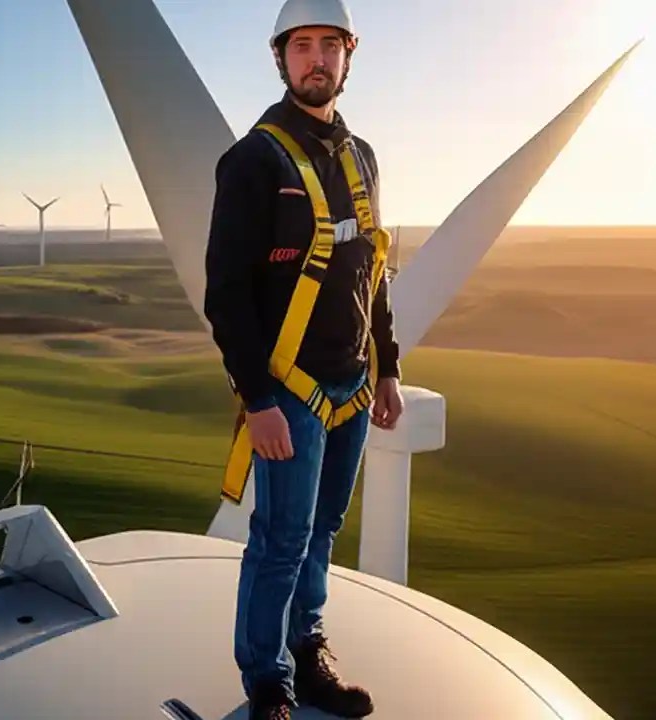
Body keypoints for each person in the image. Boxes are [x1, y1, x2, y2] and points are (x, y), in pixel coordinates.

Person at [202, 1, 403, 718]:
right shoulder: (254, 160)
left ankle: (307, 647)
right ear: (281, 58)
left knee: (323, 530)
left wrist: (389, 368)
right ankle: (266, 680)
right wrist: (257, 399)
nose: (316, 59)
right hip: (287, 391)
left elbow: (372, 267)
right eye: (302, 46)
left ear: (350, 54)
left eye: (329, 46)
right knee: (280, 539)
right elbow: (226, 293)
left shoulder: (361, 157)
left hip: (351, 386)